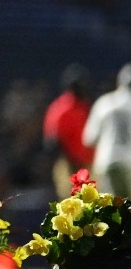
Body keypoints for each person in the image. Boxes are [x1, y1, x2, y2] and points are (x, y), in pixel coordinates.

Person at [43, 64, 95, 194]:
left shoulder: (85, 105)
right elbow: (51, 142)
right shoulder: (61, 108)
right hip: (68, 165)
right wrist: (72, 162)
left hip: (87, 165)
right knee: (70, 204)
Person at [83, 63, 131, 196]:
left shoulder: (104, 103)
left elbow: (89, 138)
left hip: (106, 160)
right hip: (128, 161)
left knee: (112, 210)